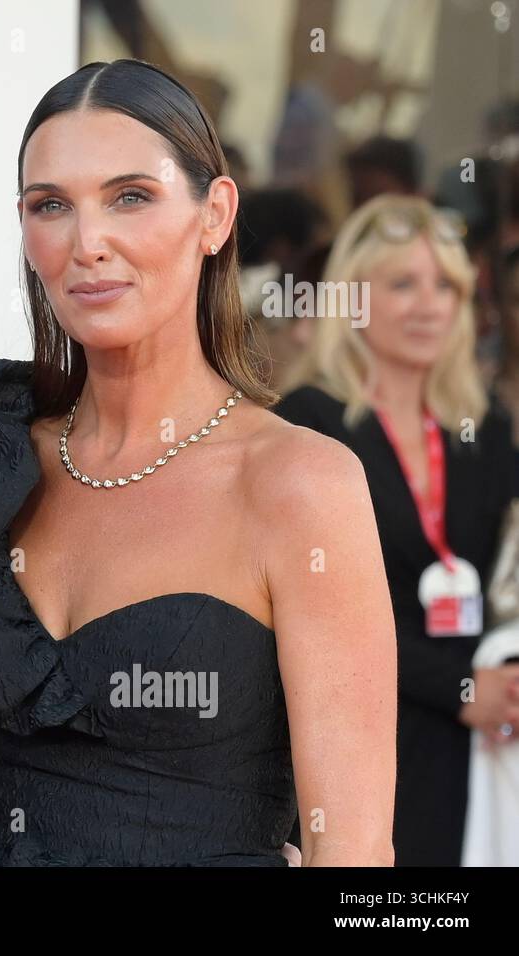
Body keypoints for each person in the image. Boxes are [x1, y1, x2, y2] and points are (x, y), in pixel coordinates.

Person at [0, 59, 397, 866]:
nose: (89, 244)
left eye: (131, 197)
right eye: (51, 206)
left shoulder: (298, 484)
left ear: (215, 214)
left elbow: (356, 856)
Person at [275, 194, 519, 866]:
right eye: (402, 284)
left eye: (447, 286)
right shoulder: (310, 421)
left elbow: (504, 582)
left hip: (476, 743)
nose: (429, 305)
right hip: (357, 738)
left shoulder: (486, 431)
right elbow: (315, 612)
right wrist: (459, 685)